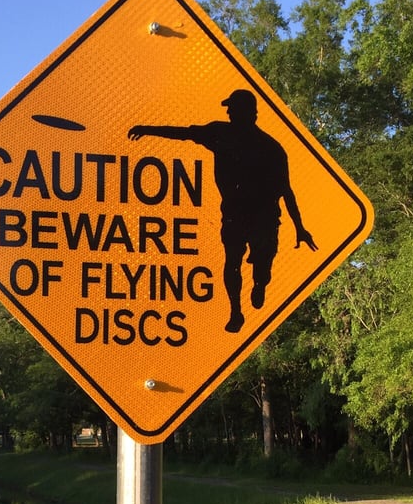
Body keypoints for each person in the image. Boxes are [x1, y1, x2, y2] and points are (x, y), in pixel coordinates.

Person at [128, 89, 317, 333]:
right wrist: (147, 129)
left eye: (232, 107)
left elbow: (286, 191)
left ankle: (259, 284)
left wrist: (299, 228)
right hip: (234, 214)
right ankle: (235, 311)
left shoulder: (271, 148)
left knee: (263, 266)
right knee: (232, 263)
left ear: (248, 112)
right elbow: (184, 133)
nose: (228, 112)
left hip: (265, 218)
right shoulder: (220, 133)